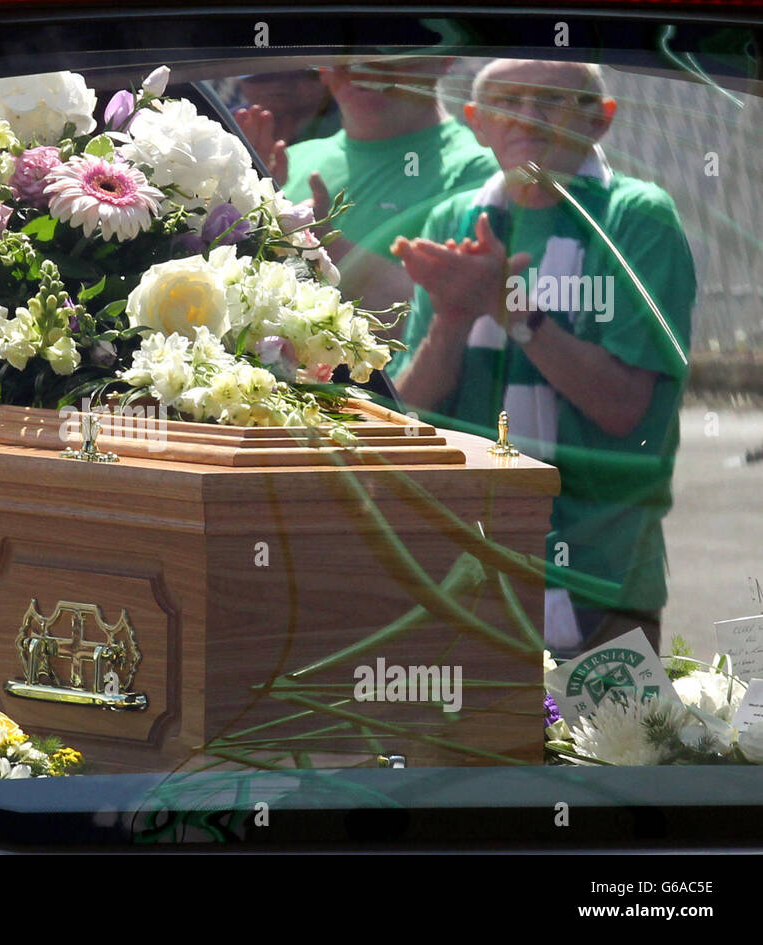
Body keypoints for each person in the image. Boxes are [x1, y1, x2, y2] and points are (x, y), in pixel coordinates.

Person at [389, 59, 696, 658]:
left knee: (611, 749)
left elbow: (624, 409)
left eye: (551, 102)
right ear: (477, 123)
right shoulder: (453, 220)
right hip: (462, 574)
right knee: (465, 752)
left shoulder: (637, 218)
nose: (527, 117)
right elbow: (411, 414)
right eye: (508, 101)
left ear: (600, 121)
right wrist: (452, 320)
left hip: (603, 583)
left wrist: (514, 312)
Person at [240, 58, 499, 316]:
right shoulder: (290, 159)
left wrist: (323, 244)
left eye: (391, 51)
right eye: (346, 50)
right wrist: (245, 200)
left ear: (444, 58)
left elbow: (453, 322)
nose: (364, 66)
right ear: (323, 67)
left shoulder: (483, 174)